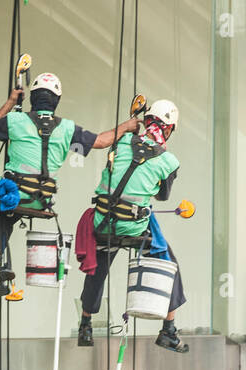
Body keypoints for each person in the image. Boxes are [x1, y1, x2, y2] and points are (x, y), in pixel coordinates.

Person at [0, 73, 139, 287]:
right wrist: (126, 126)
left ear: (34, 98)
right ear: (56, 101)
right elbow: (101, 142)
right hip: (40, 199)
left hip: (14, 191)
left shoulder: (16, 120)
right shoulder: (67, 128)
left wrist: (11, 102)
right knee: (5, 214)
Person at [76, 98, 189, 353]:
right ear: (169, 129)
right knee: (168, 262)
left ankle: (85, 324)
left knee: (99, 266)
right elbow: (162, 196)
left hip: (103, 221)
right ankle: (169, 329)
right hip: (134, 227)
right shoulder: (168, 160)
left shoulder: (122, 141)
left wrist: (128, 128)